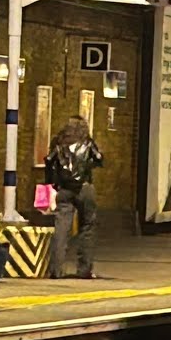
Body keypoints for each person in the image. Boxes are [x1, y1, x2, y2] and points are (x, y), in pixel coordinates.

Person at [44, 116, 104, 279]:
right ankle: (84, 269)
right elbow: (99, 159)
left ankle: (56, 270)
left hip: (64, 189)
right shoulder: (87, 142)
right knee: (88, 226)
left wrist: (51, 185)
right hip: (85, 188)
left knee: (62, 228)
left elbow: (49, 161)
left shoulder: (58, 142)